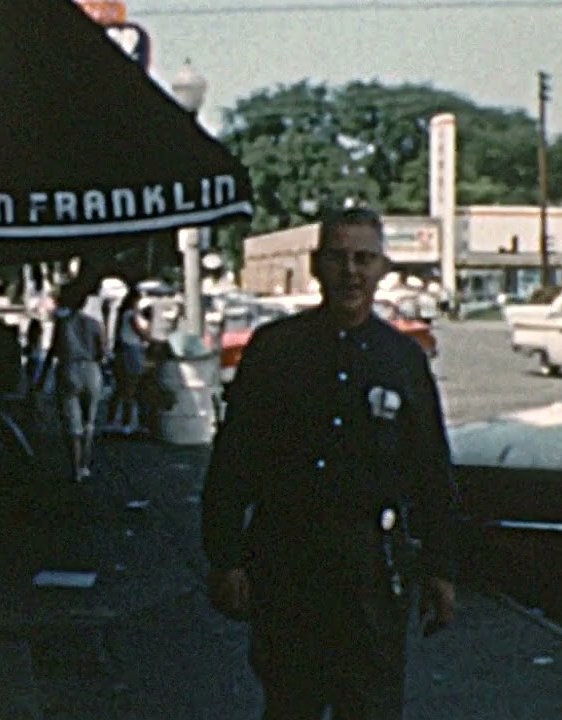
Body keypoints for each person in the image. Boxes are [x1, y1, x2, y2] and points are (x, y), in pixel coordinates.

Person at [202, 206, 461, 720]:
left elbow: (431, 468)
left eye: (363, 259)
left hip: (372, 568)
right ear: (316, 265)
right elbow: (234, 460)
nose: (351, 272)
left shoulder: (402, 360)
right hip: (288, 563)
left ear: (382, 268)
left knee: (370, 706)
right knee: (291, 703)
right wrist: (225, 557)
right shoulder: (276, 351)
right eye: (338, 258)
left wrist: (440, 568)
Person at [35, 282, 107, 482]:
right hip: (91, 370)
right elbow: (103, 352)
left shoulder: (63, 323)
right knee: (89, 422)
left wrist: (41, 379)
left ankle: (75, 468)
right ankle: (85, 464)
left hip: (68, 369)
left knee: (71, 423)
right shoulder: (95, 324)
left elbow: (52, 351)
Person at [105, 287, 150, 435]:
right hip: (132, 352)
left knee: (119, 389)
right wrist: (149, 335)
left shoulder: (122, 314)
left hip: (122, 351)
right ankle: (127, 422)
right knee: (131, 387)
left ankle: (111, 421)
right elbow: (141, 332)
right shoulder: (132, 315)